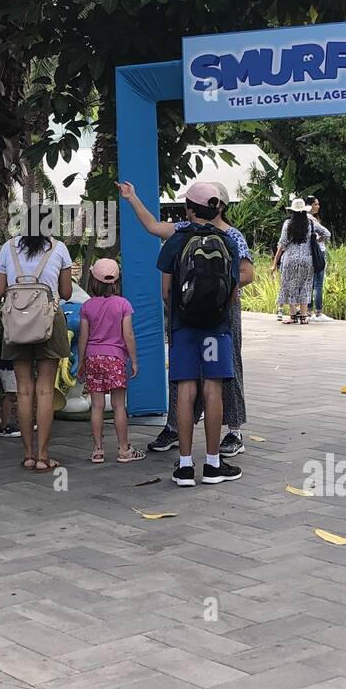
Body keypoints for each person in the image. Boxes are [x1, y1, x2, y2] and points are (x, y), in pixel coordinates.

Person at [118, 179, 253, 457]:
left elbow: (247, 274)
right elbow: (155, 227)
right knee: (210, 373)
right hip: (214, 313)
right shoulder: (202, 233)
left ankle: (233, 430)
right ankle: (178, 428)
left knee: (202, 373)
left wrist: (209, 287)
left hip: (208, 313)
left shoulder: (225, 236)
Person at [153, 183, 242, 486]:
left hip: (184, 327)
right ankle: (214, 464)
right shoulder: (227, 241)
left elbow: (166, 291)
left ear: (189, 209)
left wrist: (179, 312)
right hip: (216, 329)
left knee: (186, 389)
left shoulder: (176, 242)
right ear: (217, 209)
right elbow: (232, 290)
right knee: (213, 389)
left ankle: (186, 466)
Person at [0, 229, 73, 472]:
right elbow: (67, 293)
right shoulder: (59, 249)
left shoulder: (7, 248)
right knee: (45, 390)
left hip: (16, 323)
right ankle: (43, 456)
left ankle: (27, 455)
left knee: (24, 390)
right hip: (48, 320)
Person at [76, 257, 143, 464]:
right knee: (118, 406)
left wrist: (81, 362)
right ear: (116, 282)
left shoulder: (87, 306)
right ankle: (124, 450)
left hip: (93, 357)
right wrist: (133, 360)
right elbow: (128, 335)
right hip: (115, 358)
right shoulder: (123, 304)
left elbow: (83, 337)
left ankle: (97, 450)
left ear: (92, 281)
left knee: (96, 406)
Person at [274, 197, 330, 324]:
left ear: (293, 211)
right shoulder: (310, 224)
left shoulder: (288, 224)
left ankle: (293, 316)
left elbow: (282, 243)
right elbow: (327, 233)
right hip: (307, 259)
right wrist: (315, 241)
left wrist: (275, 261)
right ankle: (304, 317)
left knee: (290, 285)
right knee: (306, 286)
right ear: (305, 211)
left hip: (290, 259)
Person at [308, 196, 330, 319]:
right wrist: (318, 241)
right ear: (310, 205)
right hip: (319, 251)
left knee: (310, 282)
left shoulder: (302, 219)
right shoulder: (312, 219)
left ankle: (309, 310)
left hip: (308, 253)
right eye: (316, 204)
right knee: (318, 283)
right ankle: (318, 311)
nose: (318, 206)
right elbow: (327, 233)